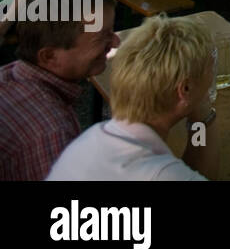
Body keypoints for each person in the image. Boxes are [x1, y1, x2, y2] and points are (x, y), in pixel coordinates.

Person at [47, 14, 218, 180]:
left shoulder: (90, 138)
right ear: (185, 89)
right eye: (211, 69)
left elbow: (196, 174)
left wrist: (200, 123)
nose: (213, 77)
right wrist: (203, 120)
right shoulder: (163, 174)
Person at [0, 0, 118, 179]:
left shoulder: (10, 75)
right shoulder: (51, 133)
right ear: (49, 56)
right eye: (101, 37)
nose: (116, 42)